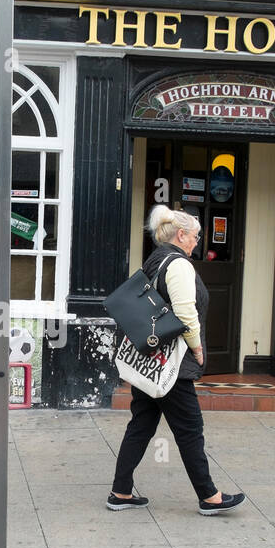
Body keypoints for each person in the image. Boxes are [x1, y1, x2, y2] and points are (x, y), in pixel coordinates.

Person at [108, 205, 246, 516]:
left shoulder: (155, 259)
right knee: (190, 428)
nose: (198, 242)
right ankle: (209, 496)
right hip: (173, 362)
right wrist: (197, 349)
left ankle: (120, 491)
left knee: (141, 424)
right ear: (181, 235)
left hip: (150, 360)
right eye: (196, 236)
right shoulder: (179, 265)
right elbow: (186, 314)